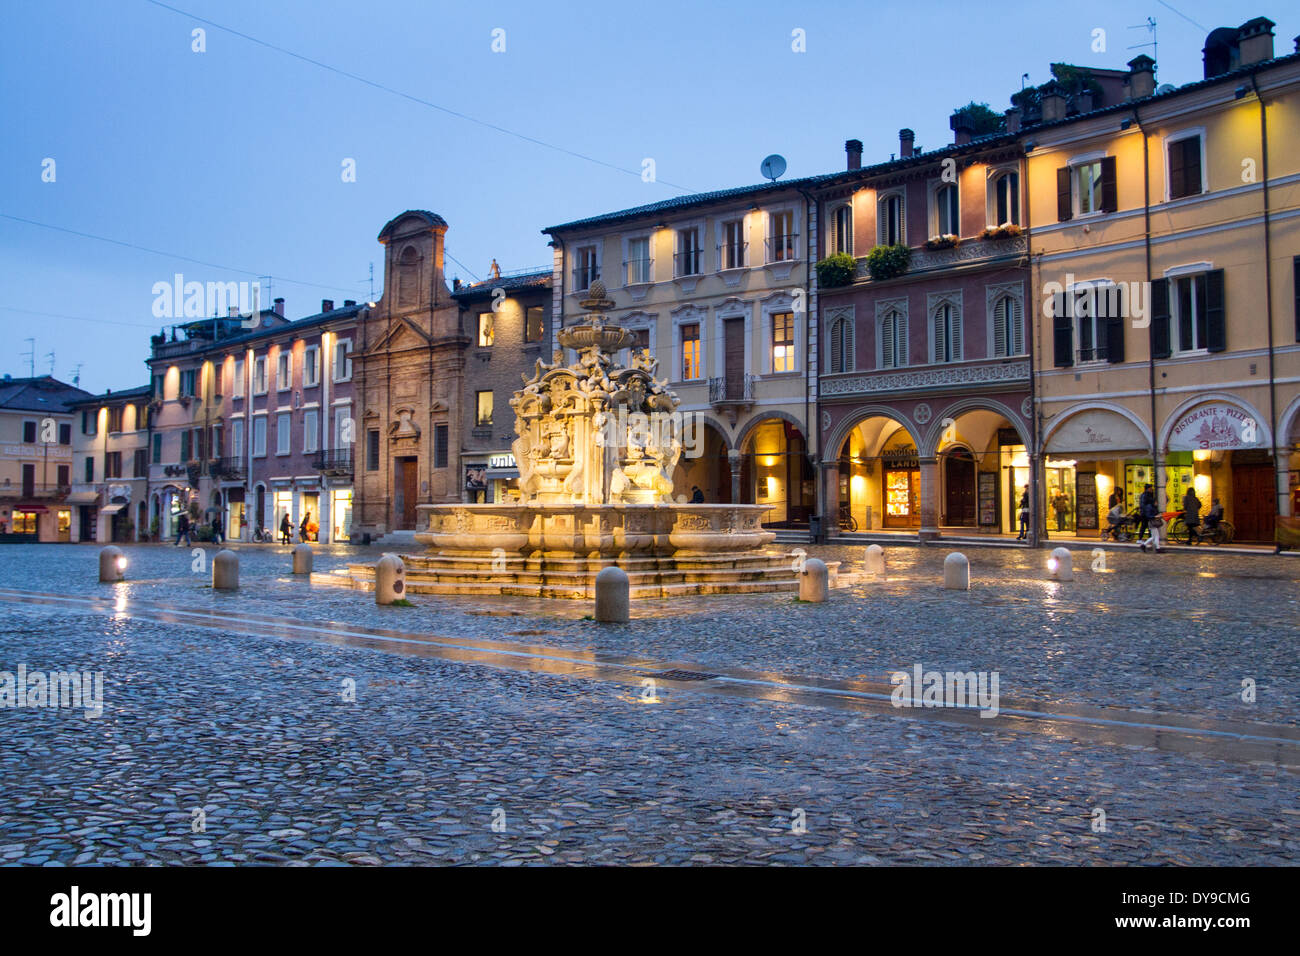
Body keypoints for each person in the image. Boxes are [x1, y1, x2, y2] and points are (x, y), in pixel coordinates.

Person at [1138, 484, 1164, 552]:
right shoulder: (1149, 506)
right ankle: (1155, 548)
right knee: (1155, 535)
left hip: (1151, 522)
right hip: (1152, 522)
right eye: (1156, 502)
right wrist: (1156, 516)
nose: (1156, 503)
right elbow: (1149, 515)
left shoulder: (1150, 505)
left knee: (1154, 536)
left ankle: (1148, 546)